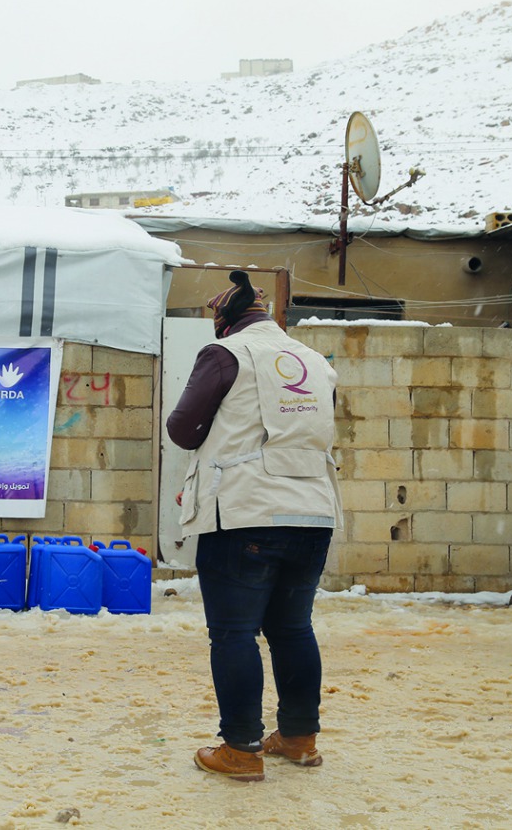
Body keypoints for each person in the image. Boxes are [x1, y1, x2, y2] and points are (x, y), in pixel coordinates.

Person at [166, 270, 341, 782]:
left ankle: (241, 750)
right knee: (292, 628)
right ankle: (298, 739)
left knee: (234, 632)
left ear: (224, 318)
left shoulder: (225, 354)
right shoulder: (313, 361)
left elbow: (182, 428)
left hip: (244, 516)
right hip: (313, 510)